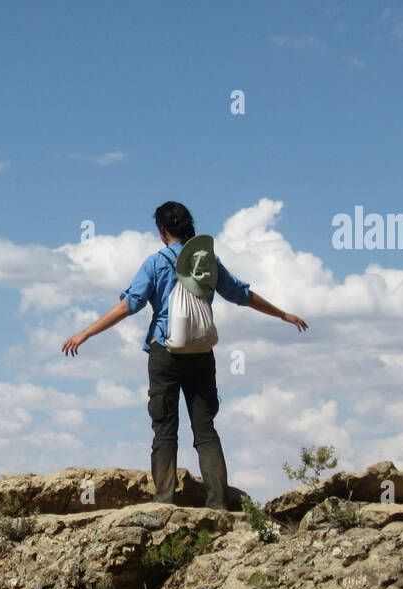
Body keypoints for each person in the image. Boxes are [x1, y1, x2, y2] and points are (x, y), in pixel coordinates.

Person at [61, 201, 308, 509]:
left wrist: (85, 333)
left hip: (165, 352)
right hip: (201, 353)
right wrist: (283, 314)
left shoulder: (155, 263)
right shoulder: (207, 262)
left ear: (163, 231)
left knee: (164, 430)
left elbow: (129, 305)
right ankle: (218, 504)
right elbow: (240, 295)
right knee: (205, 430)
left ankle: (164, 501)